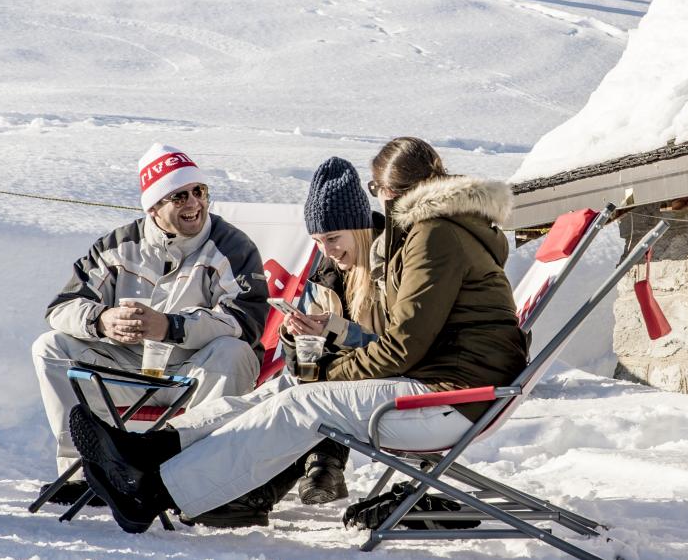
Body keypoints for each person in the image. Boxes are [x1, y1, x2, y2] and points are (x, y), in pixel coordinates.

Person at [70, 136, 530, 534]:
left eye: (377, 192)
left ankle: (152, 491)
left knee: (301, 402)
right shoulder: (440, 232)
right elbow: (409, 340)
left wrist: (330, 369)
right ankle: (151, 450)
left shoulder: (435, 235)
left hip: (455, 395)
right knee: (287, 387)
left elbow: (404, 347)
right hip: (450, 382)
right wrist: (331, 354)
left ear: (390, 191)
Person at [127, 155, 387, 527]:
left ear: (359, 229)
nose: (327, 250)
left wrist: (338, 332)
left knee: (291, 399)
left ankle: (232, 487)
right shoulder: (326, 274)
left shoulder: (388, 269)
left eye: (333, 238)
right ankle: (155, 451)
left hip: (375, 388)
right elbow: (310, 359)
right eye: (317, 241)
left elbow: (398, 348)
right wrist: (296, 335)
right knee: (270, 394)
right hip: (337, 381)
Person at [31, 143, 268, 505]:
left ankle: (203, 478)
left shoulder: (231, 245)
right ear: (154, 207)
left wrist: (171, 327)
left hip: (197, 372)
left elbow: (245, 321)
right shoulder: (118, 245)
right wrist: (101, 320)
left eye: (199, 191)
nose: (194, 203)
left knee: (234, 352)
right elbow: (61, 307)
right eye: (179, 196)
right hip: (127, 371)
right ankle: (87, 472)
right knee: (50, 346)